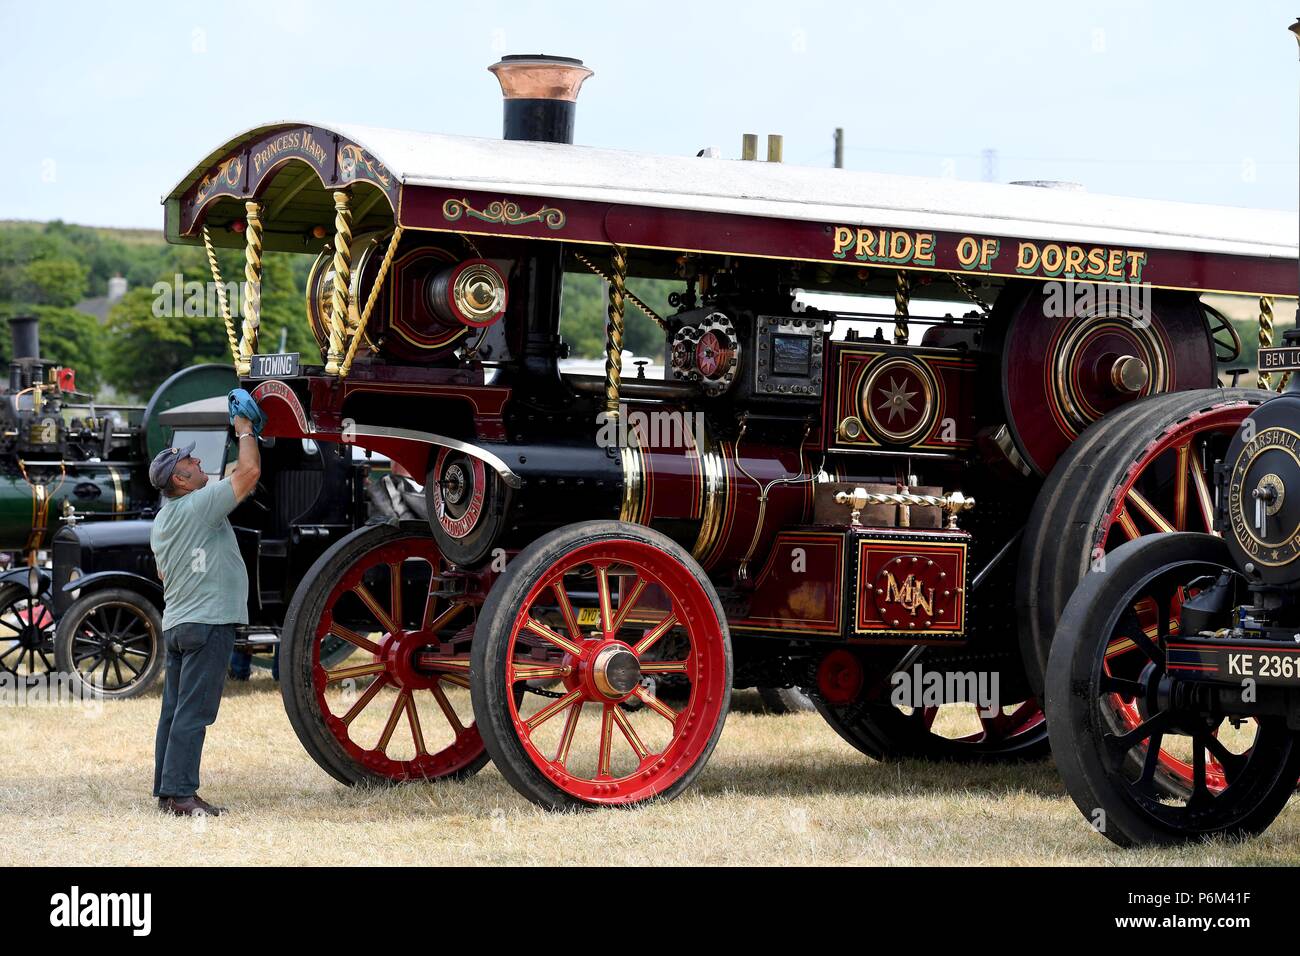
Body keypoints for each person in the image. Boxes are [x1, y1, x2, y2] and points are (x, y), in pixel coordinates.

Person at [149, 414, 260, 817]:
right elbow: (248, 472)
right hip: (208, 621)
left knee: (175, 711)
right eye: (191, 463)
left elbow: (163, 573)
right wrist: (245, 430)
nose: (199, 464)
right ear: (180, 480)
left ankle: (167, 791)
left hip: (178, 622)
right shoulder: (200, 505)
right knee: (195, 712)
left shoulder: (163, 519)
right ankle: (181, 796)